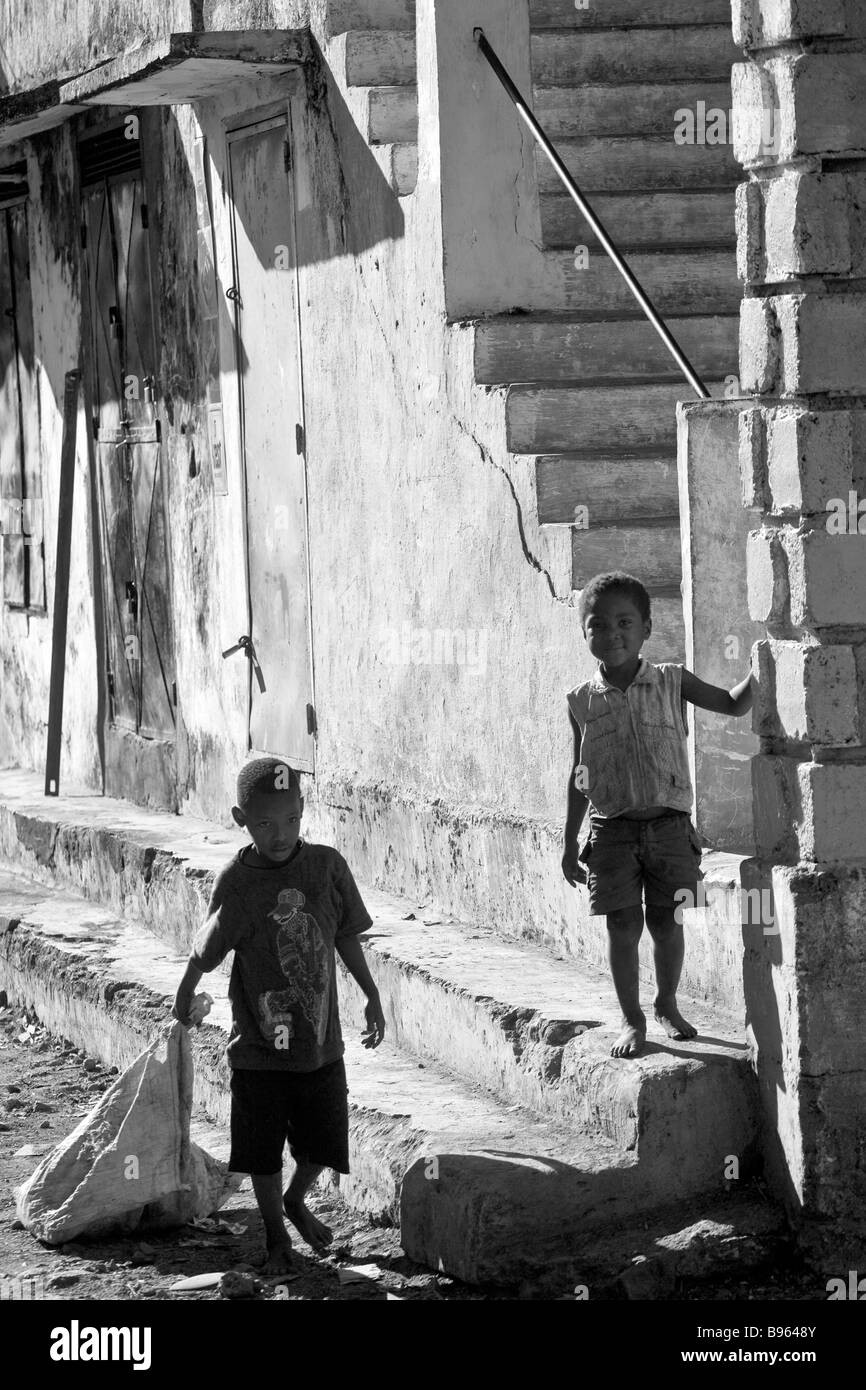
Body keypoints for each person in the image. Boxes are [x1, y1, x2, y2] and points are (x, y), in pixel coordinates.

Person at [173, 756, 386, 1273]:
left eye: (291, 818)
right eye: (265, 822)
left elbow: (344, 935)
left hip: (320, 1046)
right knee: (261, 1153)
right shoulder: (238, 883)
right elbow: (204, 953)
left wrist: (372, 994)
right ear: (240, 818)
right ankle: (275, 1240)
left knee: (324, 1145)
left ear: (303, 809)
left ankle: (296, 1200)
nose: (280, 833)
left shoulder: (326, 866)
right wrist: (183, 1001)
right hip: (258, 1052)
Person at [561, 571, 753, 1059]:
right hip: (611, 833)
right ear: (584, 633)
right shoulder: (581, 701)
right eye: (597, 625)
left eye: (625, 622)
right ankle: (632, 1019)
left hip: (669, 829)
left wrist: (763, 664)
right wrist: (567, 842)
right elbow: (580, 773)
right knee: (621, 927)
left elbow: (731, 705)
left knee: (667, 923)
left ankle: (666, 1002)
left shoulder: (672, 680)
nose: (612, 634)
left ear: (647, 627)